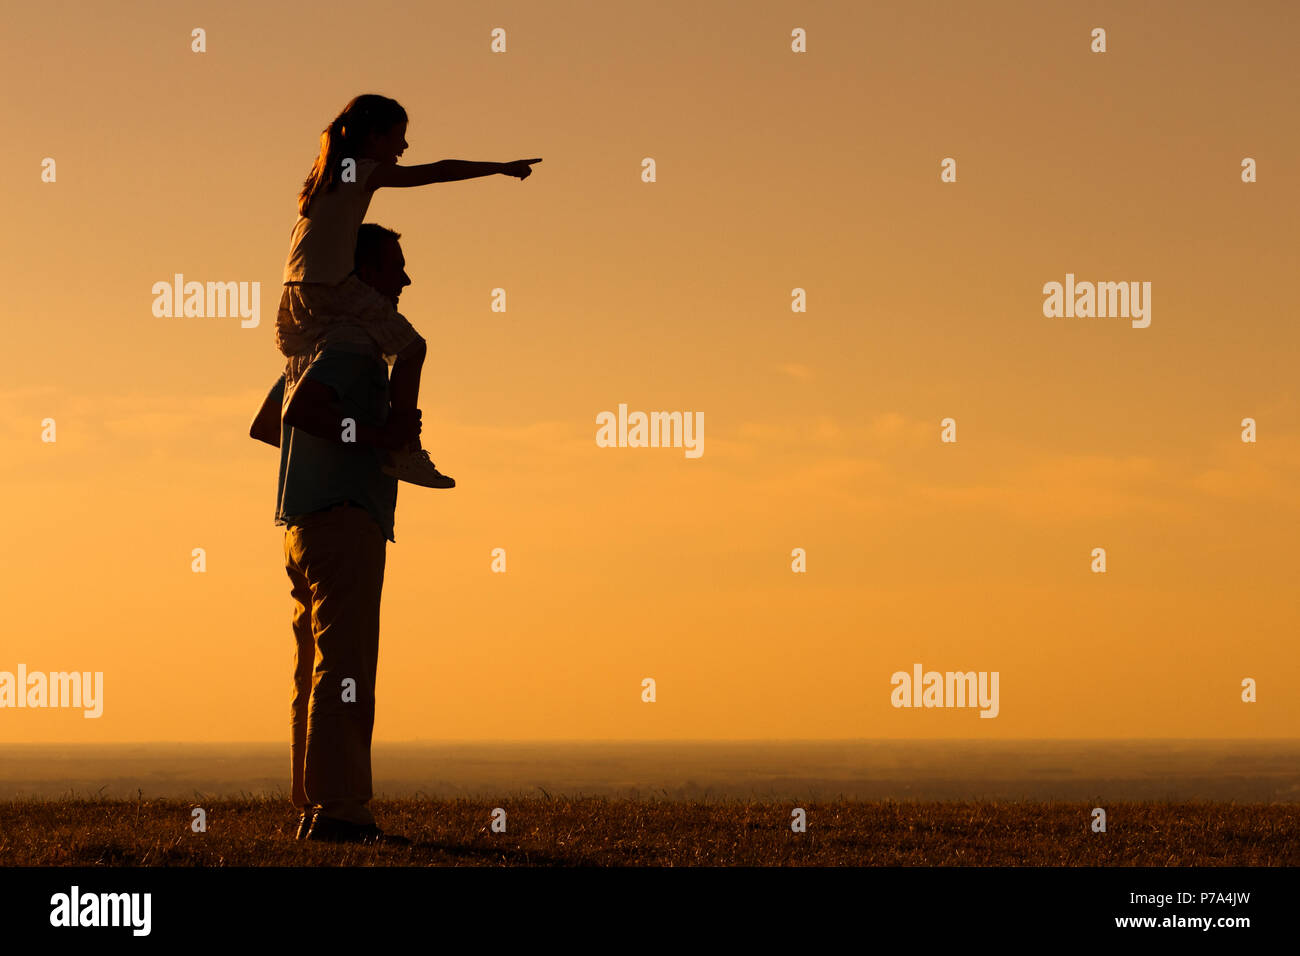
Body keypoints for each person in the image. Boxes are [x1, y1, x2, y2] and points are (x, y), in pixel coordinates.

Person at [273, 92, 541, 487]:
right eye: (398, 137)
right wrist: (499, 167)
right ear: (373, 137)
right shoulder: (362, 170)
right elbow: (436, 171)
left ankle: (339, 434)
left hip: (297, 289)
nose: (403, 147)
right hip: (331, 282)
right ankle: (403, 447)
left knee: (345, 345)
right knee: (412, 348)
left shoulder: (323, 175)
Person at [259, 223, 424, 845]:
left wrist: (337, 440)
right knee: (346, 665)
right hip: (346, 518)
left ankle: (313, 802)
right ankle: (339, 810)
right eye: (395, 267)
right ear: (361, 277)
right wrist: (374, 436)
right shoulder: (355, 345)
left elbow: (268, 424)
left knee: (314, 667)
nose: (404, 280)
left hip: (301, 524)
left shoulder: (316, 346)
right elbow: (300, 414)